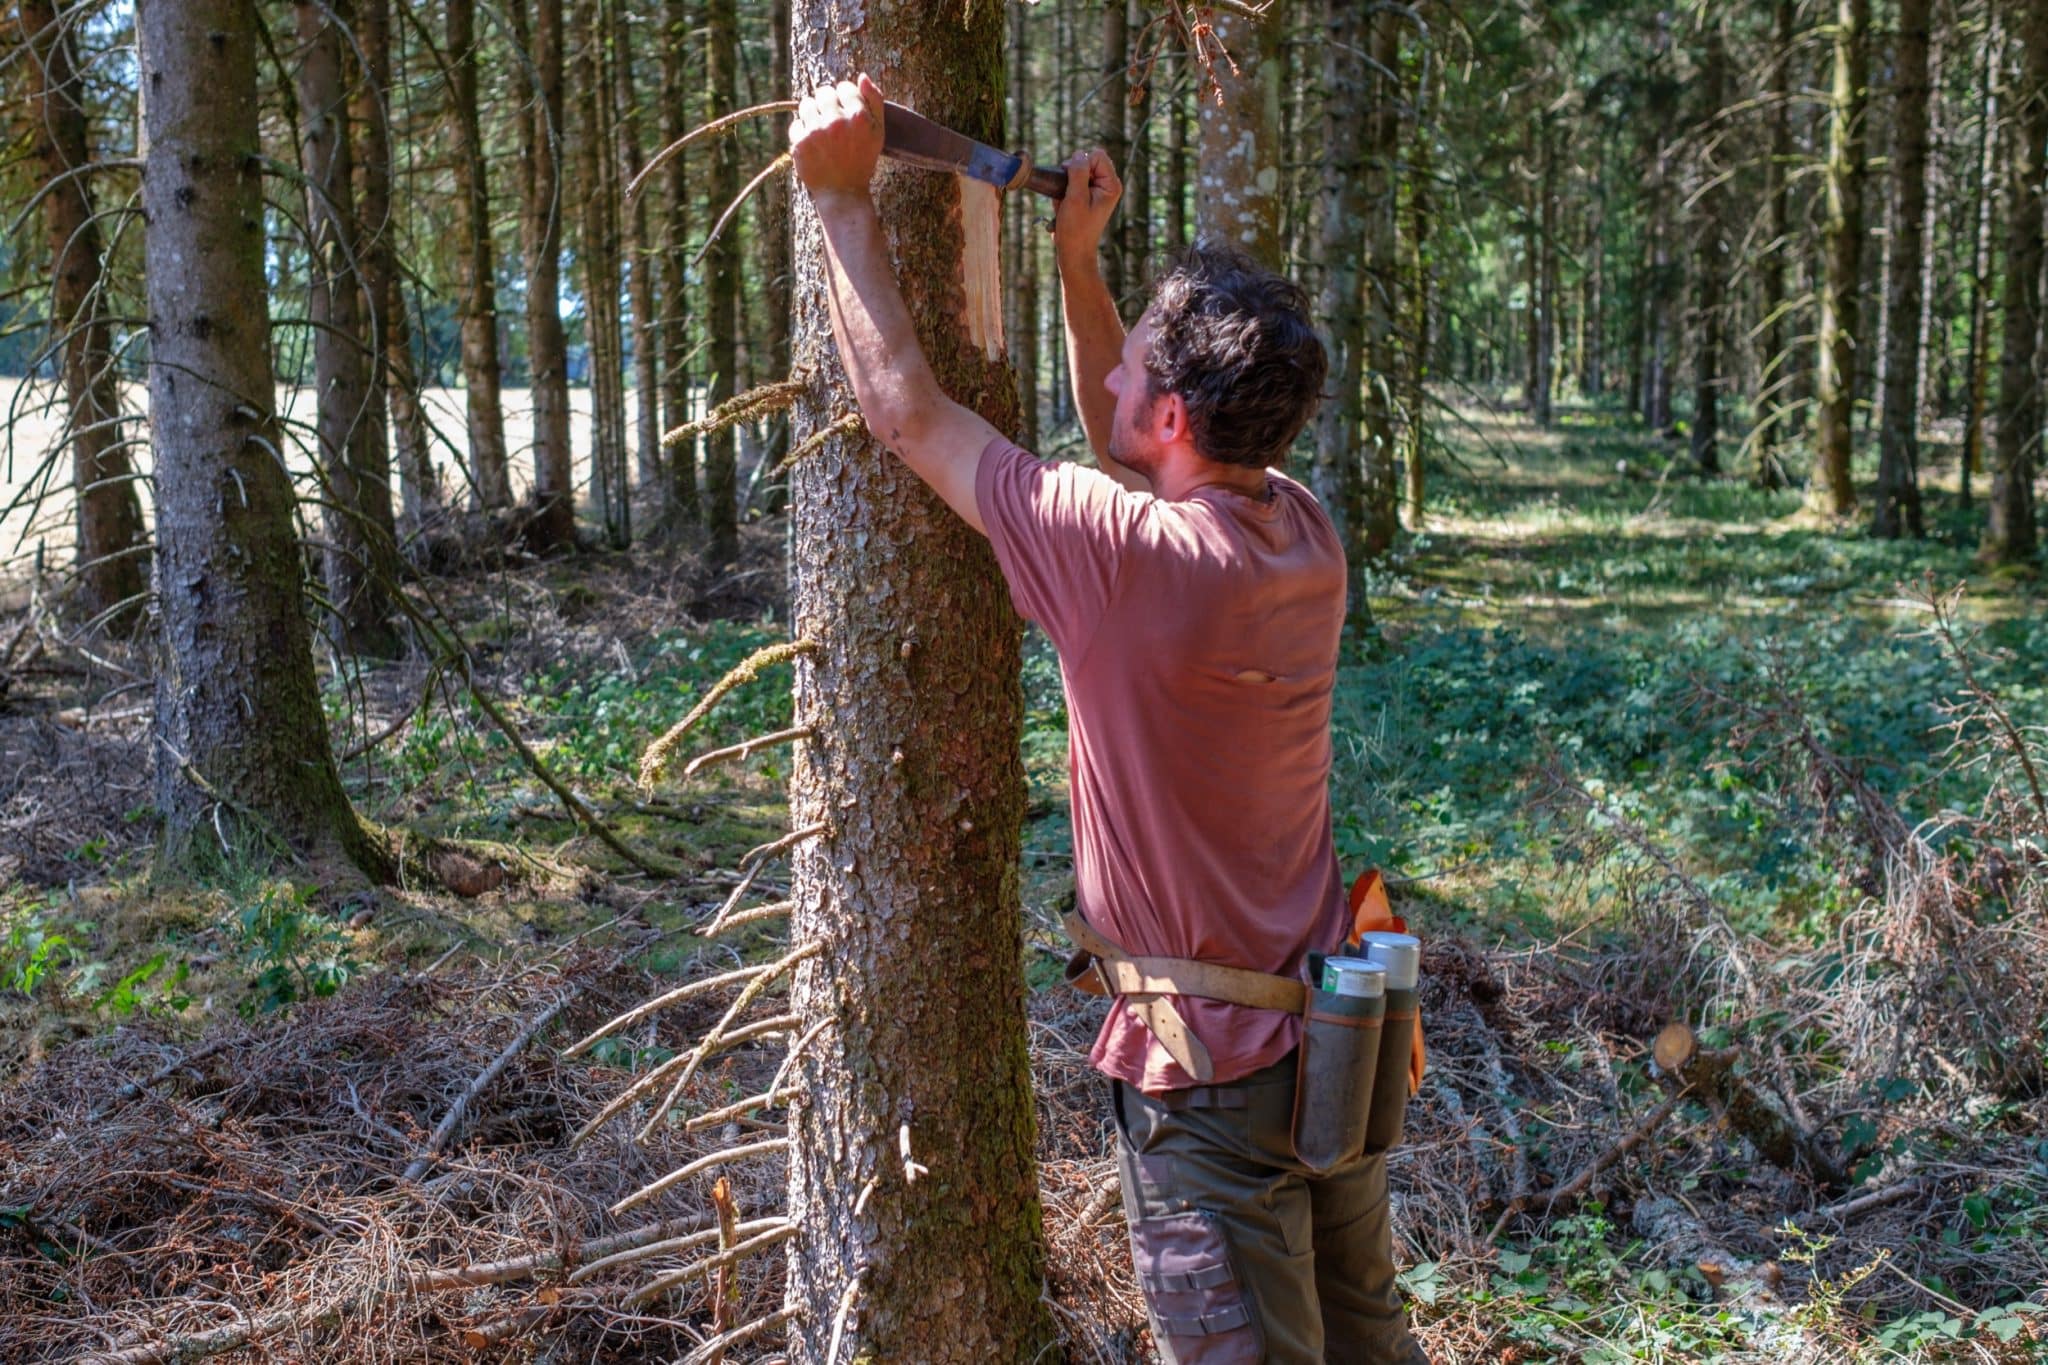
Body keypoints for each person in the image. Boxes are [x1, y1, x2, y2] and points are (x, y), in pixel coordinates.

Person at [788, 75, 1428, 1365]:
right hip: (1332, 1045)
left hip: (1211, 1091)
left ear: (1178, 415)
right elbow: (1129, 439)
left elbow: (907, 415)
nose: (1118, 369)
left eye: (1138, 359)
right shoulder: (1301, 533)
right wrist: (1079, 265)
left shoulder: (1132, 561)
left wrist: (839, 199)